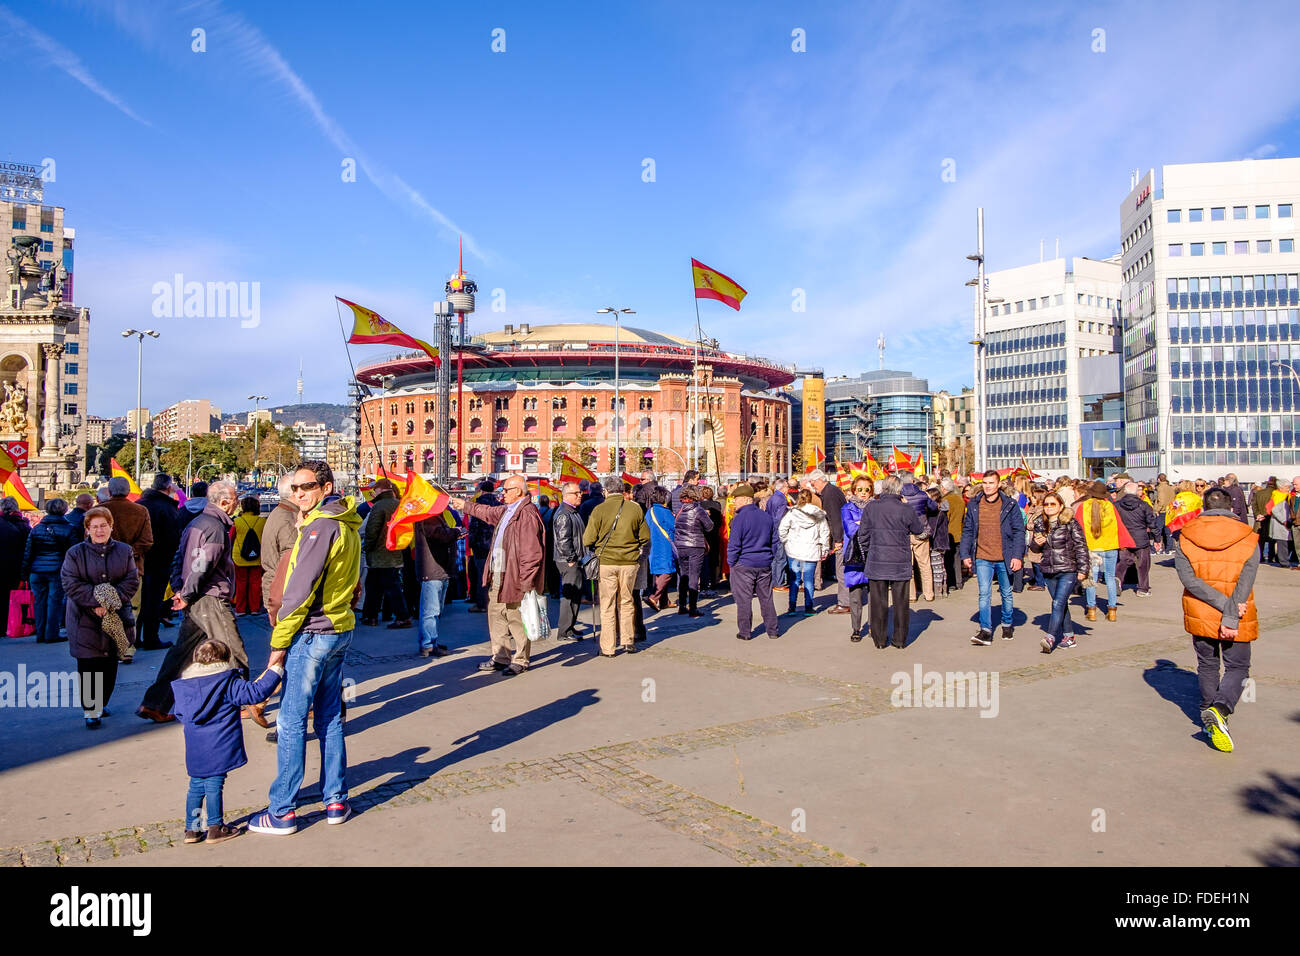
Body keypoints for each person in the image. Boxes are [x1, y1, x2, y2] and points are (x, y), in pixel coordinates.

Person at [249, 461, 362, 834]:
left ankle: (282, 810)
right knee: (330, 717)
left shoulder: (321, 528)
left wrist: (278, 646)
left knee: (292, 720)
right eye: (294, 488)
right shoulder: (345, 523)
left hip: (313, 632)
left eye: (306, 487)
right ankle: (335, 799)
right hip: (338, 628)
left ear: (325, 487)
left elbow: (299, 592)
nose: (298, 494)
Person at [137, 479, 248, 722]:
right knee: (234, 650)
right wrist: (185, 593)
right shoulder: (215, 527)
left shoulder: (196, 523)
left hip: (197, 595)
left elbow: (179, 557)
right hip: (210, 597)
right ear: (225, 502)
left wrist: (180, 588)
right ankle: (247, 701)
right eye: (236, 499)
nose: (238, 503)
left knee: (182, 653)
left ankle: (155, 702)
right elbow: (202, 565)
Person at [172, 640, 284, 845]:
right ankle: (215, 827)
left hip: (195, 745)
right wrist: (275, 671)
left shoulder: (184, 684)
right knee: (215, 783)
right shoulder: (226, 681)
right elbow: (255, 693)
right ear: (225, 659)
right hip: (218, 743)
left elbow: (180, 713)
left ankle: (193, 828)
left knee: (196, 785)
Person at [1175, 487, 1260, 753]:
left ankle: (1208, 715)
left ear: (1203, 506)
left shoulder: (1186, 535)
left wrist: (1223, 605)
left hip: (1201, 610)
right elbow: (1248, 576)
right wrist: (1231, 610)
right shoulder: (1247, 536)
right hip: (1239, 612)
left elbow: (1188, 579)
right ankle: (1220, 708)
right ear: (1232, 506)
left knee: (1208, 665)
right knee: (1238, 666)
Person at [452, 473, 547, 675]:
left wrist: (527, 581)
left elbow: (532, 552)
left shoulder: (526, 513)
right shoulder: (507, 510)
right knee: (496, 614)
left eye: (505, 490)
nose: (502, 494)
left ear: (518, 491)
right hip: (499, 572)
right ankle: (500, 656)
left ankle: (520, 659)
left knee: (515, 617)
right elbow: (487, 512)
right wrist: (465, 505)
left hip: (515, 576)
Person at [61, 506, 137, 728]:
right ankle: (90, 709)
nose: (100, 530)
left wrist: (111, 602)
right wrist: (96, 603)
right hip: (84, 617)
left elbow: (131, 580)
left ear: (111, 526)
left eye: (104, 525)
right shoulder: (75, 553)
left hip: (115, 617)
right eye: (94, 526)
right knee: (88, 664)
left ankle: (101, 703)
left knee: (109, 663)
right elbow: (70, 583)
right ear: (87, 530)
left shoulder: (124, 551)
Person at [582, 475, 650, 656]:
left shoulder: (599, 510)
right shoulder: (634, 509)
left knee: (607, 604)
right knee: (627, 601)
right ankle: (629, 641)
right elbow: (645, 537)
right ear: (622, 490)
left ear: (606, 491)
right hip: (629, 562)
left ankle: (608, 647)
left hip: (606, 562)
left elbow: (588, 539)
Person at [856, 475, 926, 648]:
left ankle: (879, 640)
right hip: (900, 560)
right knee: (901, 602)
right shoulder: (905, 508)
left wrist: (868, 550)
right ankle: (900, 640)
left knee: (878, 602)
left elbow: (862, 535)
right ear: (899, 490)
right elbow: (918, 529)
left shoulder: (872, 507)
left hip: (877, 559)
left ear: (883, 488)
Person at [960, 472, 1026, 645]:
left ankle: (1006, 624)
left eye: (991, 483)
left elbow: (1019, 531)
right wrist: (965, 554)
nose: (988, 486)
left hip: (1004, 556)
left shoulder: (1010, 504)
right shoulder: (974, 504)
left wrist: (1018, 556)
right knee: (984, 593)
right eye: (985, 483)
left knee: (1006, 592)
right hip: (982, 556)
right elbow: (967, 530)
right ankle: (985, 630)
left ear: (998, 485)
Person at [1029, 492, 1089, 653]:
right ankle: (1069, 636)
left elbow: (1081, 546)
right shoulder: (1040, 523)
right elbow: (1034, 548)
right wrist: (1036, 543)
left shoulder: (1070, 523)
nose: (1048, 507)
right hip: (1049, 569)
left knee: (1057, 603)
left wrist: (1083, 569)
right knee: (1060, 604)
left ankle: (1050, 637)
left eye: (1052, 504)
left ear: (1061, 506)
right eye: (1046, 504)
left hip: (1068, 568)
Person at [727, 483, 780, 640]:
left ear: (744, 499)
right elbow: (775, 541)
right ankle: (773, 630)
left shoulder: (739, 519)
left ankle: (745, 632)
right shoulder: (766, 516)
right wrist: (770, 557)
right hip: (764, 563)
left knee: (744, 600)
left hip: (744, 564)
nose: (734, 503)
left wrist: (732, 562)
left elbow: (734, 544)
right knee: (766, 598)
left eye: (736, 499)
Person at [21, 498, 75, 644]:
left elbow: (28, 552)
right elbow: (72, 553)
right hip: (57, 569)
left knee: (39, 602)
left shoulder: (37, 528)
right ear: (64, 510)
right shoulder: (69, 529)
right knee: (55, 601)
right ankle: (51, 633)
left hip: (36, 570)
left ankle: (40, 632)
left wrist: (25, 573)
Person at [359, 478, 411, 629]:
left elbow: (372, 529)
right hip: (394, 550)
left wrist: (367, 547)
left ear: (380, 490)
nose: (373, 493)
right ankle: (371, 615)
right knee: (377, 585)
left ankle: (401, 617)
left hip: (379, 553)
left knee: (386, 586)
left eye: (374, 490)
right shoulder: (398, 504)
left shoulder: (379, 506)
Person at [136, 474, 180, 650]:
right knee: (153, 601)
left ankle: (135, 637)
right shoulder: (167, 508)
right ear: (168, 488)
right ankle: (150, 637)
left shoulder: (140, 505)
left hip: (139, 560)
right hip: (160, 561)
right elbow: (173, 538)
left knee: (138, 601)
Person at [1075, 480, 1127, 622]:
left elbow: (1077, 527)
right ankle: (1112, 611)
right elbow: (1119, 526)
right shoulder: (1110, 506)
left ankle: (1091, 610)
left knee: (1091, 579)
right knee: (1110, 578)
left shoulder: (1083, 507)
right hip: (1110, 546)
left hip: (1092, 547)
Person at [103, 476, 153, 616]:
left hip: (104, 568)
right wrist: (128, 553)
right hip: (133, 567)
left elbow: (89, 542)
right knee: (132, 611)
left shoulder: (99, 510)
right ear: (128, 490)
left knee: (106, 612)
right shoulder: (140, 511)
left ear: (109, 491)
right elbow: (146, 541)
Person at [412, 511, 459, 658]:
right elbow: (440, 535)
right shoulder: (427, 516)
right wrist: (456, 531)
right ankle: (428, 644)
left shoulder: (433, 515)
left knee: (435, 609)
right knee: (431, 610)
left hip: (437, 568)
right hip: (432, 569)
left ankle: (432, 641)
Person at [778, 489, 830, 617]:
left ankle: (792, 606)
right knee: (808, 579)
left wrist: (786, 541)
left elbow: (782, 529)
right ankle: (809, 607)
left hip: (794, 550)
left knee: (794, 579)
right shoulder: (818, 514)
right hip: (811, 549)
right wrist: (824, 548)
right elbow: (824, 532)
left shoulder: (792, 513)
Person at [809, 470, 850, 613]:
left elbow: (835, 518)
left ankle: (844, 603)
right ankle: (845, 601)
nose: (814, 488)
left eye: (814, 484)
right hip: (840, 535)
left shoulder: (830, 494)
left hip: (841, 537)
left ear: (820, 480)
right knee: (841, 570)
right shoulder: (831, 491)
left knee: (841, 571)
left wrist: (838, 539)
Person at [260, 475, 300, 619]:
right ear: (295, 492)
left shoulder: (282, 513)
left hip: (279, 593)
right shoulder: (288, 518)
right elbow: (292, 560)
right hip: (285, 595)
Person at [551, 481, 587, 641]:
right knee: (569, 595)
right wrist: (572, 559)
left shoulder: (572, 512)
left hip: (574, 558)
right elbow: (563, 539)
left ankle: (569, 627)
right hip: (568, 560)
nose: (580, 495)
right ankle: (564, 630)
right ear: (566, 495)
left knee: (575, 594)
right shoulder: (564, 514)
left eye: (580, 493)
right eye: (576, 493)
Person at [1114, 480, 1163, 597]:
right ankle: (1143, 589)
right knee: (1143, 564)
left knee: (1124, 560)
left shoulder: (1117, 505)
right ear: (1137, 492)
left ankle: (1118, 579)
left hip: (1124, 537)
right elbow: (1152, 523)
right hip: (1140, 537)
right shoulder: (1144, 505)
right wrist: (1157, 539)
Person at [896, 471, 938, 603]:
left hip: (904, 533)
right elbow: (933, 508)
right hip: (922, 532)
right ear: (913, 481)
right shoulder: (922, 494)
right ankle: (929, 594)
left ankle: (911, 595)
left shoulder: (898, 495)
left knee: (908, 565)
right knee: (925, 564)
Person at [839, 476, 872, 641]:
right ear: (854, 490)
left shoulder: (875, 507)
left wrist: (860, 523)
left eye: (867, 489)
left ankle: (874, 625)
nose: (863, 493)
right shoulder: (847, 508)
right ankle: (856, 628)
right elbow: (850, 528)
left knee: (875, 595)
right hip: (854, 556)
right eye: (860, 489)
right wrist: (865, 525)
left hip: (873, 555)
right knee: (856, 597)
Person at [673, 484, 712, 618]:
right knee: (694, 576)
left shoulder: (680, 510)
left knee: (684, 574)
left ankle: (682, 605)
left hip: (681, 545)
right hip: (695, 545)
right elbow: (709, 526)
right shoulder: (698, 510)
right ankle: (693, 607)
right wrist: (708, 516)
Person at [465, 480, 499, 612]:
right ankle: (495, 602)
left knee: (481, 575)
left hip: (481, 546)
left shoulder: (477, 505)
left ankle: (482, 604)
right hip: (496, 545)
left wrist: (472, 543)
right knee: (496, 574)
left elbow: (473, 527)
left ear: (481, 490)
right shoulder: (499, 504)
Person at [644, 485, 677, 612]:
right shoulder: (665, 512)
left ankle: (664, 601)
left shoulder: (650, 511)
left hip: (653, 545)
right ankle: (654, 597)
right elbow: (674, 527)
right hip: (665, 545)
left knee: (659, 572)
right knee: (667, 572)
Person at [231, 496, 266, 615]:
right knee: (255, 584)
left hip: (239, 558)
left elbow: (231, 538)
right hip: (257, 557)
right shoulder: (263, 522)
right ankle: (254, 608)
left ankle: (240, 609)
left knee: (241, 583)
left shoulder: (237, 522)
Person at [0, 497, 29, 638]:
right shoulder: (24, 526)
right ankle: (13, 624)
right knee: (14, 599)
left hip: (5, 567)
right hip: (16, 569)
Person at [765, 478, 792, 593]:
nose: (788, 489)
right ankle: (779, 583)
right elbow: (779, 518)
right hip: (778, 532)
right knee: (780, 558)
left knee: (775, 558)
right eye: (787, 487)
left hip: (772, 530)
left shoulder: (772, 498)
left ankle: (773, 581)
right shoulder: (781, 499)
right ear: (782, 488)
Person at [940, 477, 966, 591]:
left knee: (949, 560)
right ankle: (959, 582)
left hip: (949, 533)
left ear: (943, 488)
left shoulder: (946, 500)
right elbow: (963, 518)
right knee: (957, 558)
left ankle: (951, 583)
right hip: (959, 532)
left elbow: (945, 519)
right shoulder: (960, 499)